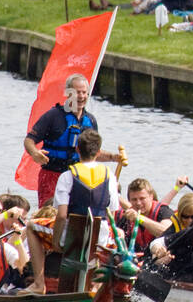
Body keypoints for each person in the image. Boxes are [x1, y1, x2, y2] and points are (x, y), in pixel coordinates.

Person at [24, 73, 125, 207]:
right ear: (68, 93)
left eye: (84, 92)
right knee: (50, 214)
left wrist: (114, 157)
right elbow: (29, 140)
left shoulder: (90, 121)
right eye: (77, 92)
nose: (81, 96)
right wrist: (35, 153)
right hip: (52, 175)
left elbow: (94, 153)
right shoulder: (53, 116)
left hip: (79, 177)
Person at [51, 129, 124, 252]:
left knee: (31, 227)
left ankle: (38, 272)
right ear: (99, 152)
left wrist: (55, 242)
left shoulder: (66, 176)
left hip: (71, 238)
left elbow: (62, 216)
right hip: (100, 239)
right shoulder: (109, 176)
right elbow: (111, 212)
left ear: (77, 149)